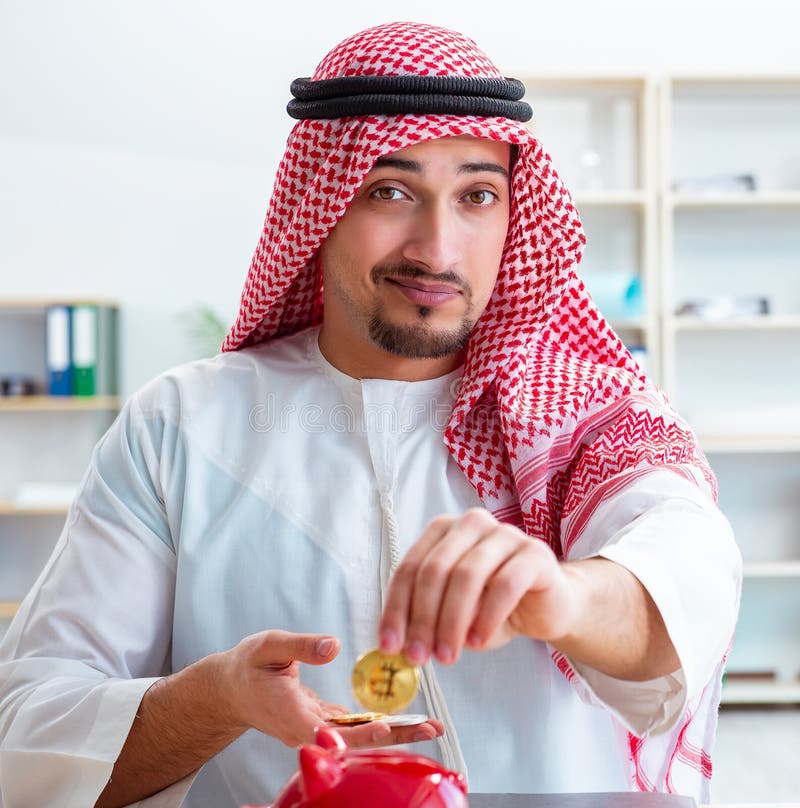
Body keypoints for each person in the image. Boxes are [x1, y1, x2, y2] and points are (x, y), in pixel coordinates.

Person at [0, 21, 741, 808]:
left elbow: (687, 574)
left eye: (478, 196)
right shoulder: (181, 427)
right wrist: (214, 699)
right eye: (390, 191)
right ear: (320, 204)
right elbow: (28, 734)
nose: (437, 247)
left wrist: (564, 594)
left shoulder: (595, 412)